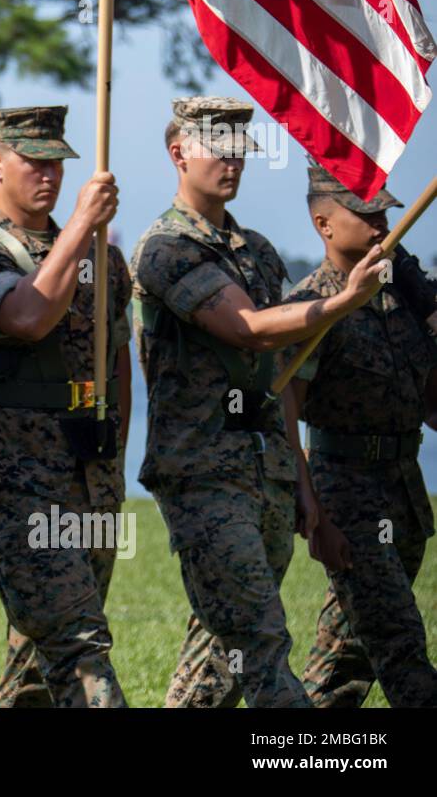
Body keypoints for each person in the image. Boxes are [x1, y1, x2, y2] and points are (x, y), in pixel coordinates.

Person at [131, 97, 386, 708]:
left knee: (219, 656)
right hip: (202, 471)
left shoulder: (258, 251)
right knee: (263, 640)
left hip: (264, 470)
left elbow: (277, 376)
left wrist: (299, 478)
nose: (231, 161)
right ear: (178, 155)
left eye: (238, 149)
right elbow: (248, 329)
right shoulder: (166, 249)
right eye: (216, 148)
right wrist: (345, 301)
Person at [0, 105, 129, 708]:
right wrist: (79, 228)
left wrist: (115, 450)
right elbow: (25, 316)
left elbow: (116, 359)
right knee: (79, 648)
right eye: (34, 162)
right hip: (17, 476)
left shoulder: (106, 259)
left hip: (90, 472)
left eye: (57, 163)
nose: (49, 175)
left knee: (34, 664)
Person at [289, 160, 437, 707]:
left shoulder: (405, 299)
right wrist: (312, 511)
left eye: (385, 214)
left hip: (403, 492)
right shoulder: (311, 307)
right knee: (401, 645)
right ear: (324, 225)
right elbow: (286, 415)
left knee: (346, 658)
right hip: (347, 495)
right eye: (366, 214)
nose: (381, 226)